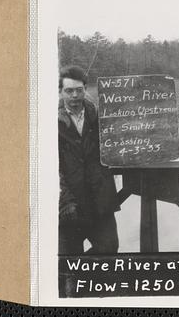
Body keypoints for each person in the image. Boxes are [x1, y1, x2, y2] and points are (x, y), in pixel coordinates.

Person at [58, 65, 120, 254]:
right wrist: (65, 202)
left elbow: (117, 147)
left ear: (85, 89)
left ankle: (91, 281)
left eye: (79, 90)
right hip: (70, 206)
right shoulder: (50, 123)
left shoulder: (98, 117)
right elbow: (50, 170)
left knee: (109, 249)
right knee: (69, 261)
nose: (75, 96)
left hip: (99, 202)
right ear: (60, 92)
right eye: (69, 91)